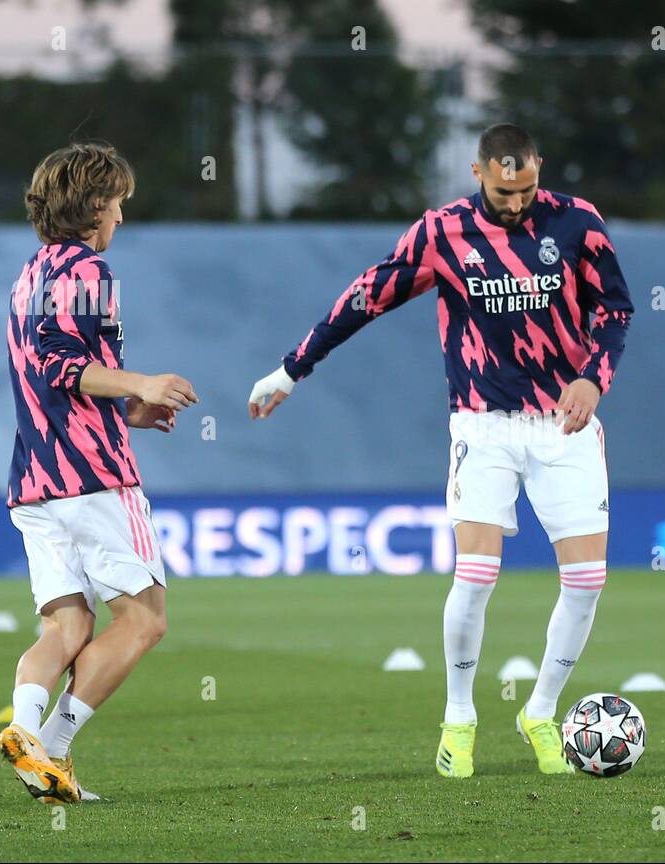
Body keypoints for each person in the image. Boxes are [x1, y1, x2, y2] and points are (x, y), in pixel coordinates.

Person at [247, 124, 634, 778]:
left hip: (563, 424)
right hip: (481, 426)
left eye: (527, 187)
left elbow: (616, 310)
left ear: (539, 168)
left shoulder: (577, 223)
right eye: (503, 189)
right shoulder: (442, 233)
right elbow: (367, 297)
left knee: (588, 580)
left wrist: (594, 376)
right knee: (477, 576)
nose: (515, 202)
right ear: (478, 171)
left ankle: (540, 710)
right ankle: (459, 716)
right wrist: (293, 368)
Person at [0, 142, 198, 802]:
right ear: (94, 205)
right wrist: (139, 381)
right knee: (144, 621)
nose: (121, 216)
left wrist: (126, 408)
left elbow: (49, 377)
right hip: (91, 476)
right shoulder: (89, 270)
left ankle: (28, 734)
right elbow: (61, 363)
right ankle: (51, 746)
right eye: (117, 203)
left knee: (67, 629)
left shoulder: (28, 276)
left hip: (33, 477)